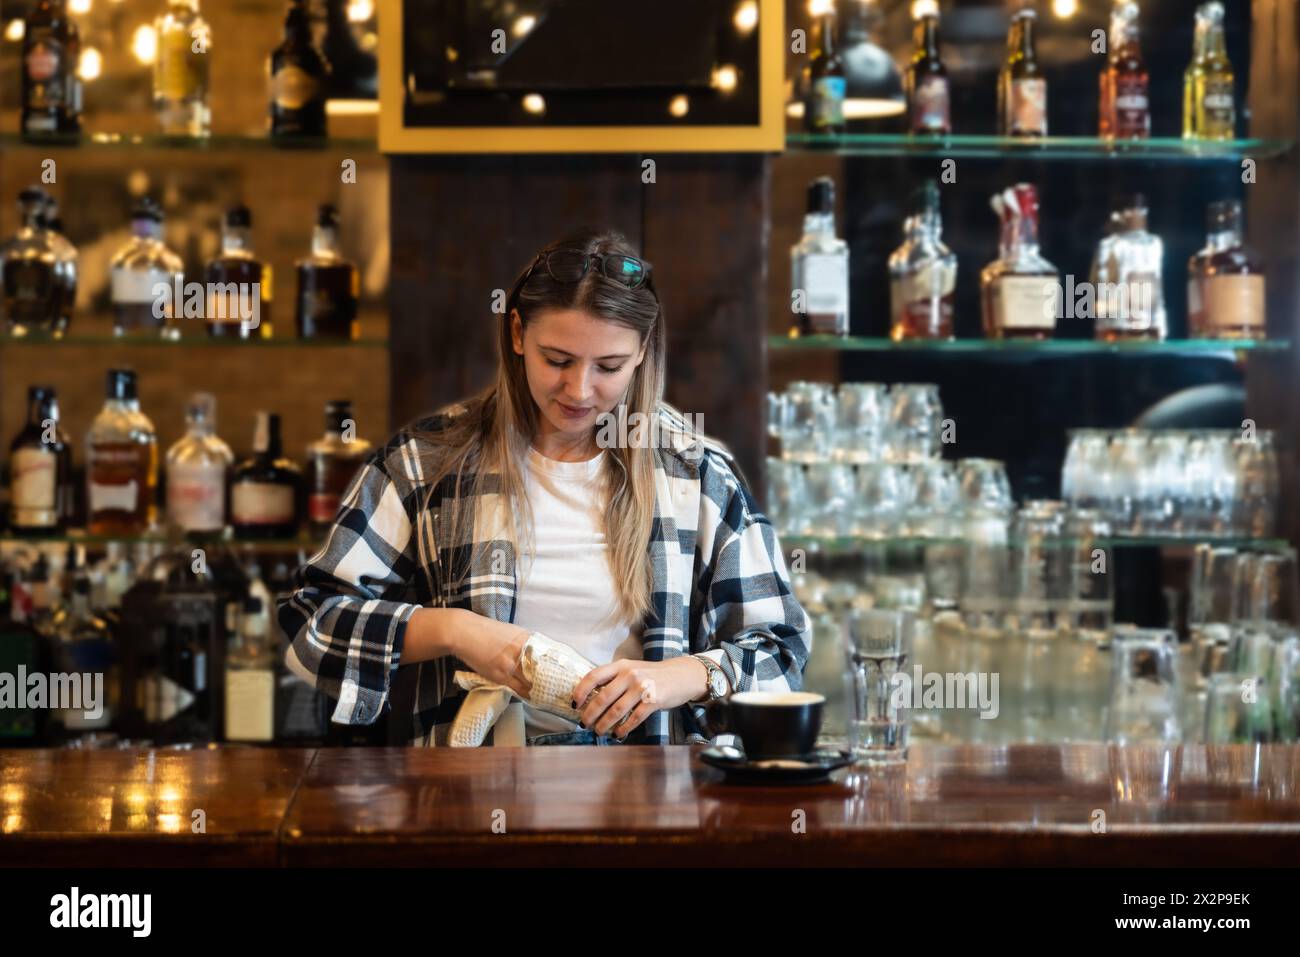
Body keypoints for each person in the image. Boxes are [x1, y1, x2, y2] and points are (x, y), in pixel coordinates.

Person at [279, 228, 811, 745]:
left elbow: (783, 648)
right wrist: (456, 630)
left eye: (609, 366)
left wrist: (680, 676)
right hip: (470, 792)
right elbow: (313, 624)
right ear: (516, 334)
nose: (579, 390)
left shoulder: (695, 472)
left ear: (644, 350)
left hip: (648, 793)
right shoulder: (426, 463)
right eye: (557, 360)